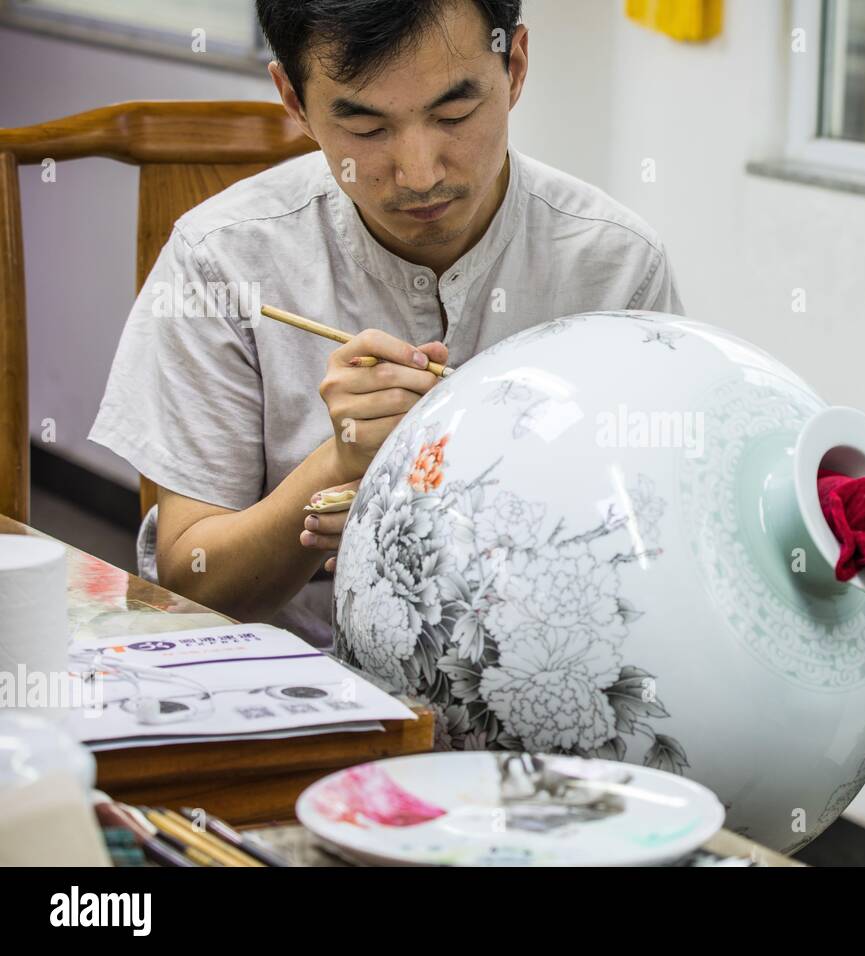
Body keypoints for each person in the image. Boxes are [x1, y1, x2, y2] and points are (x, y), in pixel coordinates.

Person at [89, 0, 684, 646]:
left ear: (513, 67)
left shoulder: (616, 267)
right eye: (367, 129)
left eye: (454, 114)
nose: (420, 173)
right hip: (298, 705)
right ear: (294, 101)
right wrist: (337, 464)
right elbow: (191, 584)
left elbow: (661, 545)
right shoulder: (223, 265)